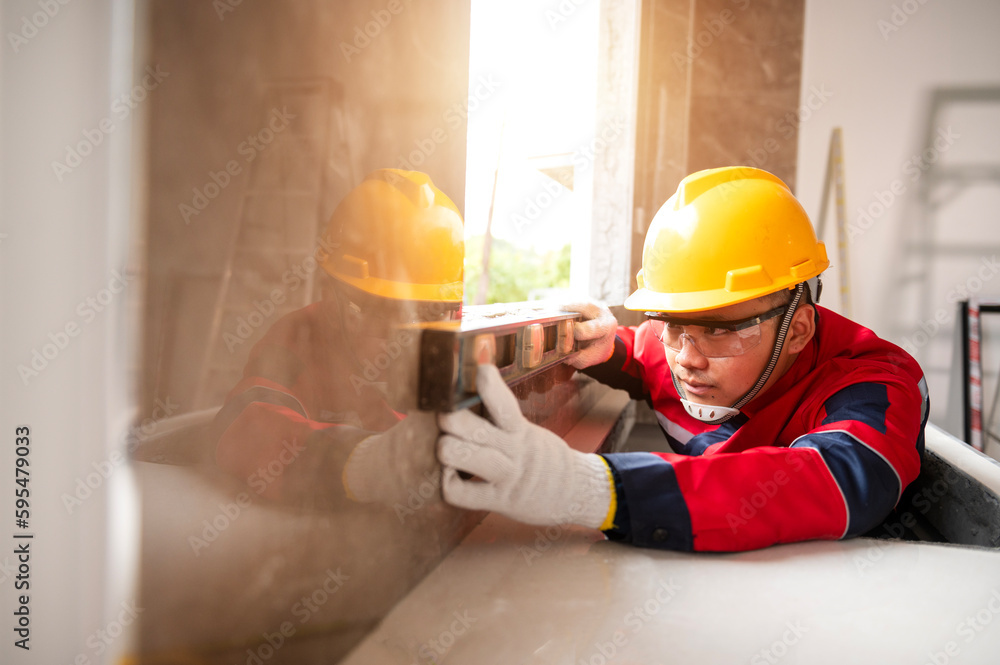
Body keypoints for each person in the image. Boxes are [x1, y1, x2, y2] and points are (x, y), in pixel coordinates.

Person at [437, 166, 929, 552]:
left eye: (718, 331)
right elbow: (640, 349)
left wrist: (594, 489)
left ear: (796, 330)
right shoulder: (678, 351)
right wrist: (607, 347)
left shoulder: (873, 386)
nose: (687, 361)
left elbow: (835, 481)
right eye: (674, 325)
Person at [211, 168, 462, 508]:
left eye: (429, 312)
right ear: (332, 296)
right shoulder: (295, 342)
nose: (407, 335)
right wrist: (366, 465)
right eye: (384, 311)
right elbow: (245, 423)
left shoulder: (461, 340)